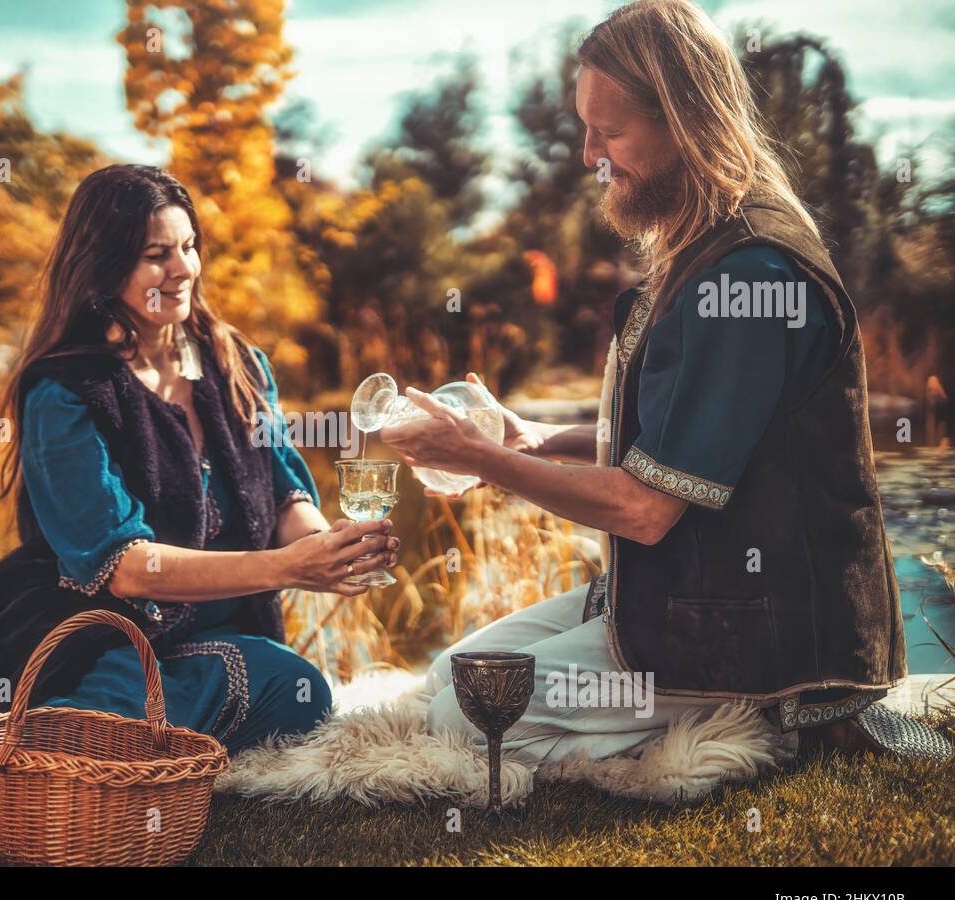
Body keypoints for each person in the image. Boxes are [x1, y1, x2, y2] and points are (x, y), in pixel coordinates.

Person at [379, 0, 950, 765]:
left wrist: (483, 460)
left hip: (760, 639)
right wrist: (537, 438)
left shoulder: (749, 273)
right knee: (452, 679)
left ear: (684, 123)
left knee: (463, 719)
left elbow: (646, 511)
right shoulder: (702, 248)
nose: (589, 154)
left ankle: (769, 727)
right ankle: (686, 710)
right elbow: (669, 441)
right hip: (698, 602)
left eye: (609, 133)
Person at [0, 164, 400, 800]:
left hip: (216, 637)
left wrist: (332, 550)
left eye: (188, 247)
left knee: (299, 695)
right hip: (88, 634)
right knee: (228, 689)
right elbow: (123, 567)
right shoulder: (65, 389)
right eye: (157, 255)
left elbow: (285, 493)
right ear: (105, 267)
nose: (182, 270)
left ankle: (39, 742)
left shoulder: (236, 362)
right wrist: (286, 567)